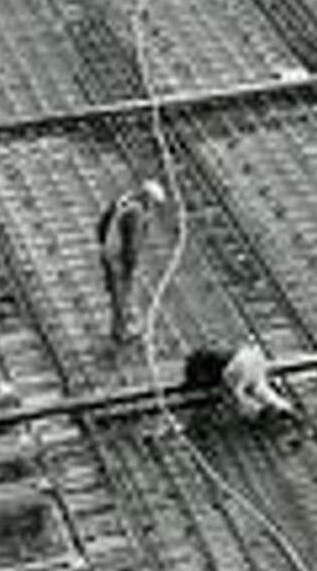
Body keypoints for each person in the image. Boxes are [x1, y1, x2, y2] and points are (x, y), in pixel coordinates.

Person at [98, 177, 166, 341]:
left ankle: (118, 328)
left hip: (109, 251)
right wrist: (130, 265)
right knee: (122, 293)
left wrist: (104, 241)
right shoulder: (136, 213)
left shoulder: (125, 200)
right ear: (149, 199)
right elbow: (132, 244)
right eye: (154, 205)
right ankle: (122, 332)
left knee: (118, 292)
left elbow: (103, 222)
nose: (154, 209)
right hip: (118, 257)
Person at [181, 339, 298, 426]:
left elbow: (200, 379)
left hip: (237, 363)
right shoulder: (215, 349)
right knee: (259, 387)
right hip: (253, 356)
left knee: (237, 394)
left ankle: (258, 412)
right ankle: (283, 406)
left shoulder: (199, 362)